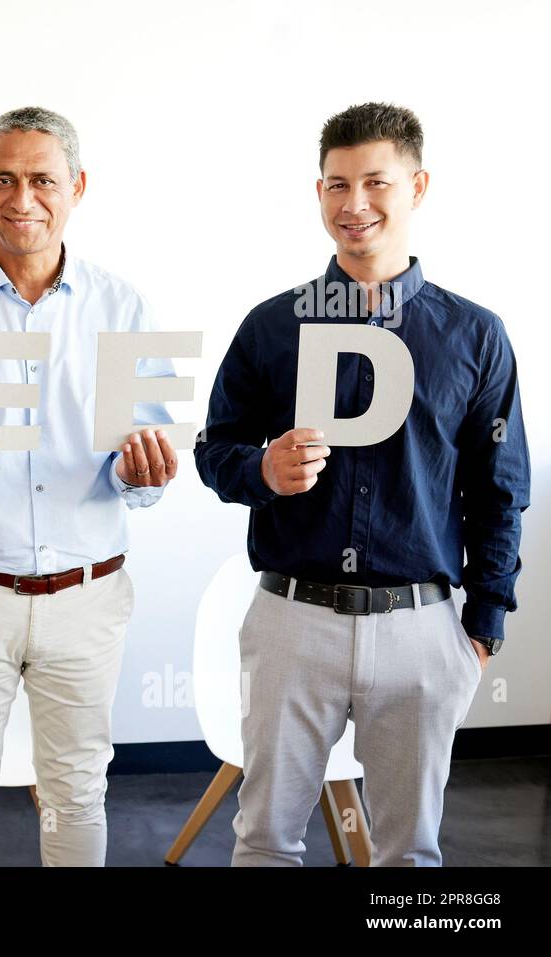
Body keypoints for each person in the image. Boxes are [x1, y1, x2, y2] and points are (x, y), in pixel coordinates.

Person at [194, 102, 529, 866]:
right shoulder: (273, 326)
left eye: (375, 182)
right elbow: (216, 450)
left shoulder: (475, 334)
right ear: (318, 194)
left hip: (422, 626)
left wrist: (482, 625)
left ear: (418, 186)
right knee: (264, 842)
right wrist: (262, 470)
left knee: (408, 853)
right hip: (292, 620)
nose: (354, 204)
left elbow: (500, 487)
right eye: (336, 185)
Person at [0, 107, 180, 866]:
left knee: (78, 789)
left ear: (77, 187)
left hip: (87, 594)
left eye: (43, 180)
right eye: (6, 179)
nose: (23, 199)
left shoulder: (123, 308)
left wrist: (140, 471)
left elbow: (139, 469)